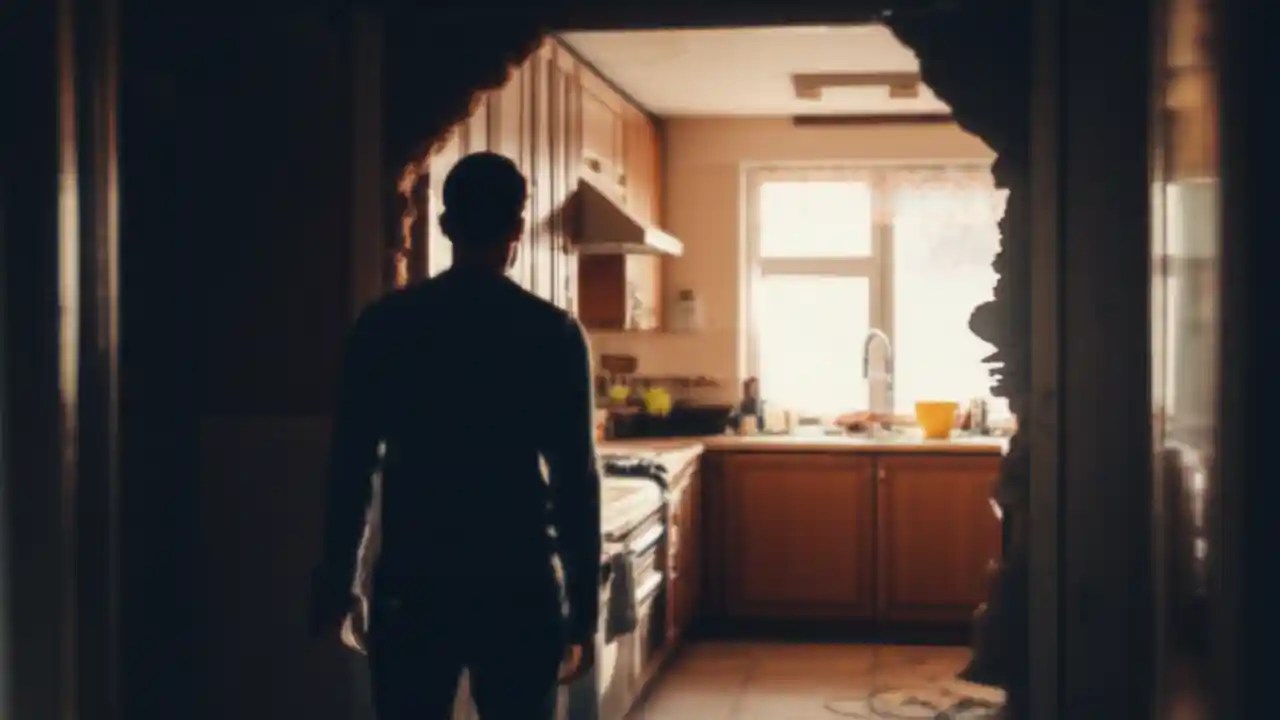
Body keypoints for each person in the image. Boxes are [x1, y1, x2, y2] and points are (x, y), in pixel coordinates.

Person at [310, 152, 602, 719]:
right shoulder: (552, 334)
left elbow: (351, 463)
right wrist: (583, 609)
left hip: (415, 581)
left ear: (444, 227)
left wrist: (337, 578)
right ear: (518, 230)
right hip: (518, 584)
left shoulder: (385, 326)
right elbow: (575, 482)